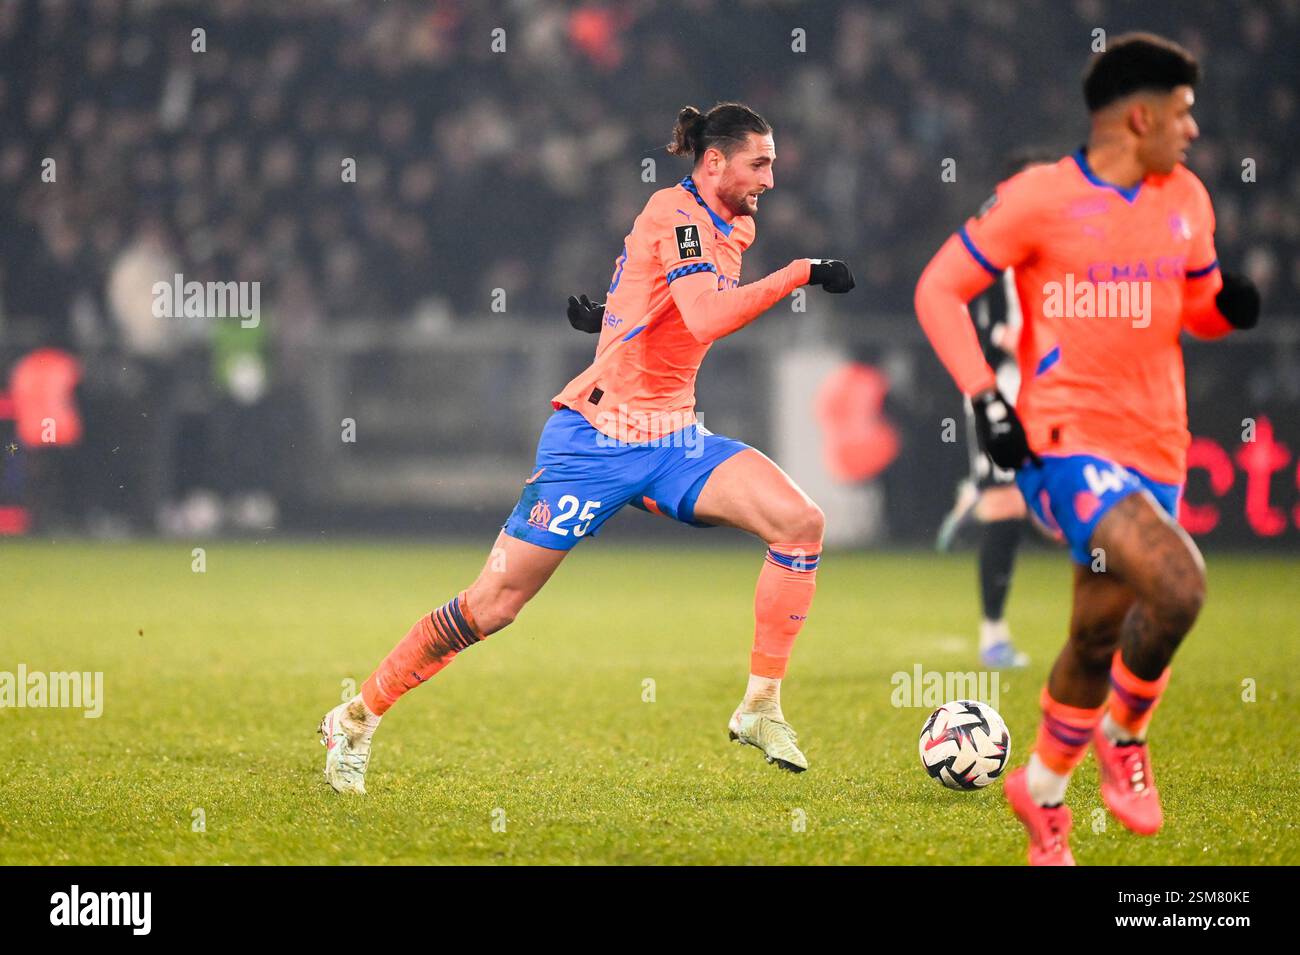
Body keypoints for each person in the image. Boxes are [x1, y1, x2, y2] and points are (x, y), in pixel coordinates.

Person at [319, 102, 855, 793]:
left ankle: (760, 704)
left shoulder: (735, 222)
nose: (771, 179)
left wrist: (611, 317)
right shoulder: (677, 213)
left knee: (801, 523)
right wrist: (803, 272)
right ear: (715, 161)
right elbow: (706, 314)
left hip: (673, 438)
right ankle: (358, 717)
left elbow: (662, 295)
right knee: (493, 605)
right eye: (761, 163)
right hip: (595, 442)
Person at [913, 34, 1260, 864]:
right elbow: (939, 289)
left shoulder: (1188, 197)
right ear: (1139, 116)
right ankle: (1125, 734)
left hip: (1159, 445)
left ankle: (1038, 795)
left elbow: (1200, 306)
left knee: (1098, 636)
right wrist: (986, 397)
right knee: (1177, 585)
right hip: (1064, 443)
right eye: (1182, 113)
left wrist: (1228, 307)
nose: (1195, 130)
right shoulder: (1038, 197)